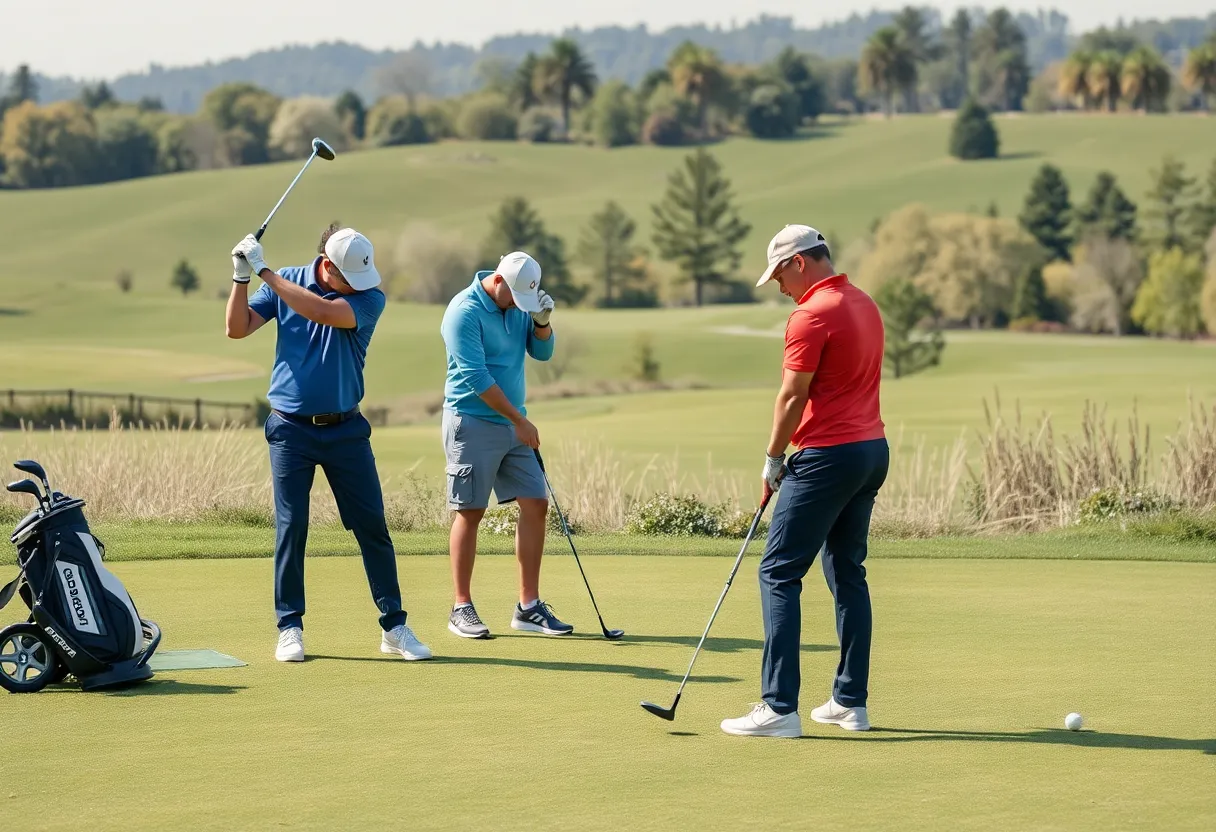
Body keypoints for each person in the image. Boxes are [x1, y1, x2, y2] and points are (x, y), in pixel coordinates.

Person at [226, 224, 431, 663]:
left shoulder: (369, 299)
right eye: (347, 279)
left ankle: (394, 626)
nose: (357, 287)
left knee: (372, 526)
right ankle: (289, 627)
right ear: (327, 265)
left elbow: (322, 312)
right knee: (292, 526)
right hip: (290, 430)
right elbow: (237, 328)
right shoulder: (290, 280)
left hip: (346, 430)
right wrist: (242, 277)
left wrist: (264, 270)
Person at [720, 224, 888, 739]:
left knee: (777, 572)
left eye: (778, 275)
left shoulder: (810, 315)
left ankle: (778, 708)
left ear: (800, 263)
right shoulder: (863, 302)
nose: (778, 287)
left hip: (826, 457)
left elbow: (792, 397)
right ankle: (849, 702)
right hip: (870, 452)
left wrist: (773, 457)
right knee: (845, 571)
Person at [438, 251, 572, 640]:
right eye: (514, 297)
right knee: (470, 511)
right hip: (471, 421)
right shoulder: (462, 312)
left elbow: (542, 353)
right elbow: (477, 378)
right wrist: (520, 421)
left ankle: (528, 607)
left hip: (514, 422)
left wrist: (542, 323)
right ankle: (460, 606)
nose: (518, 306)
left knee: (536, 502)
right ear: (498, 282)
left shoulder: (517, 304)